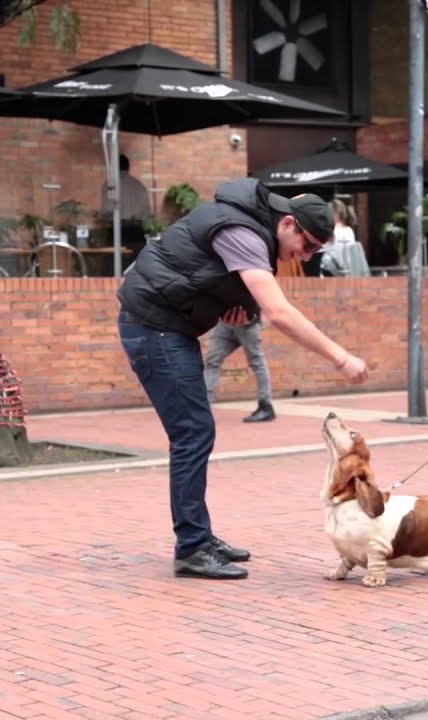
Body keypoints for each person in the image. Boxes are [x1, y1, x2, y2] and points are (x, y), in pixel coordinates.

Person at [117, 178, 369, 580]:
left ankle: (199, 536)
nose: (304, 258)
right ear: (287, 223)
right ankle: (192, 547)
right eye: (306, 247)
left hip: (167, 328)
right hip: (153, 328)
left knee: (196, 432)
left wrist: (232, 303)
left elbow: (206, 271)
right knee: (192, 433)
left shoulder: (253, 228)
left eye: (315, 252)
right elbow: (279, 313)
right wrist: (340, 357)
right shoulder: (244, 231)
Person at [204, 317, 276, 423]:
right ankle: (204, 406)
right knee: (212, 361)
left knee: (257, 362)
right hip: (224, 322)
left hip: (246, 321)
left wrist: (256, 314)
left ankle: (266, 406)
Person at [101, 154, 151, 263]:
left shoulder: (111, 185)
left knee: (114, 267)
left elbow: (107, 210)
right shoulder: (139, 186)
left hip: (117, 230)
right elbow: (147, 213)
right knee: (136, 267)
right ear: (128, 167)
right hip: (137, 231)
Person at [319, 198, 370, 278]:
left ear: (333, 215)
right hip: (349, 272)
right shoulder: (349, 231)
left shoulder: (335, 233)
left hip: (336, 274)